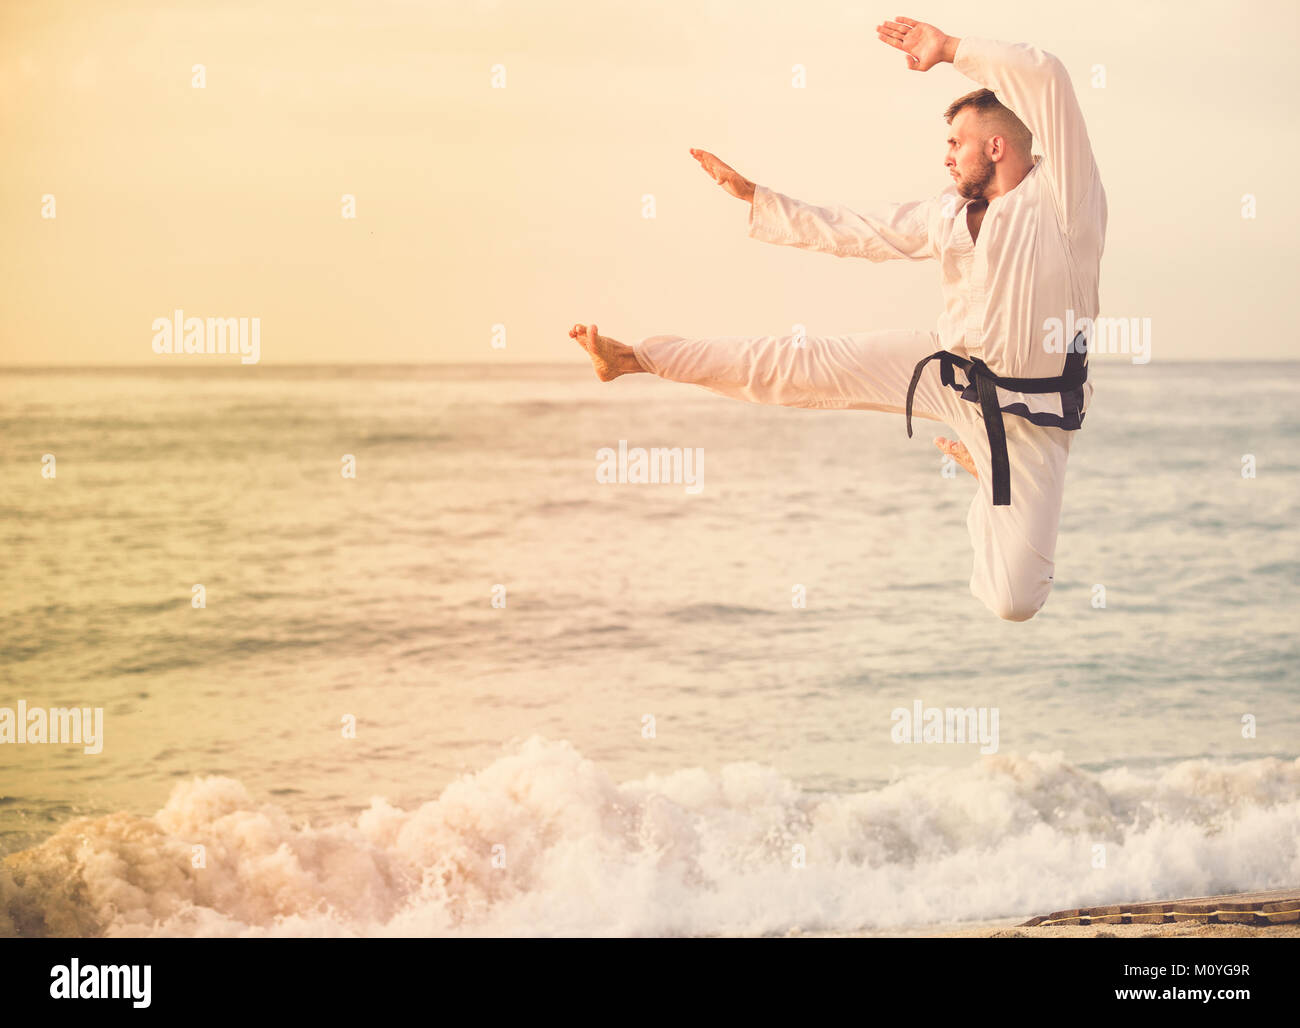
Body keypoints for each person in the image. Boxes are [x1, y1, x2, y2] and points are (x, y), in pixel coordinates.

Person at [570, 17, 1106, 622]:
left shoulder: (1065, 201)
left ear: (997, 146)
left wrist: (948, 50)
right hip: (951, 370)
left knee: (1014, 601)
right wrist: (758, 200)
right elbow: (860, 230)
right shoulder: (949, 214)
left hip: (1029, 417)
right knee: (801, 362)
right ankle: (638, 358)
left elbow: (1049, 77)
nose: (948, 156)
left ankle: (985, 466)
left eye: (957, 141)